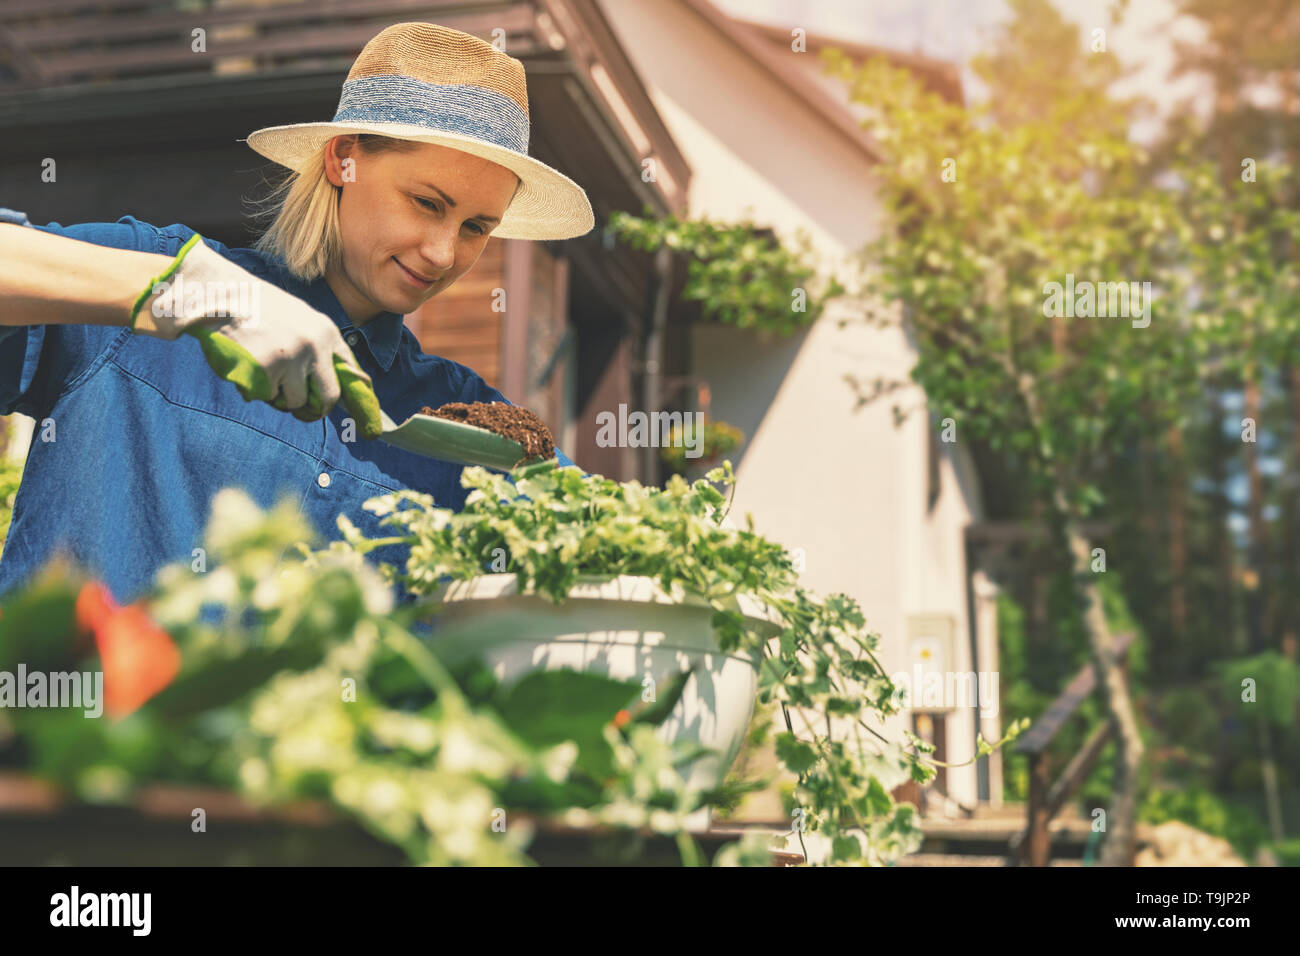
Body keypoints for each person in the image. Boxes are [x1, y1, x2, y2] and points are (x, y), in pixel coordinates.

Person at [0, 21, 592, 604]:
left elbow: (612, 536)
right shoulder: (153, 279)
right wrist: (192, 294)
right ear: (342, 160)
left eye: (475, 228)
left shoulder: (471, 430)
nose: (443, 252)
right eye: (426, 203)